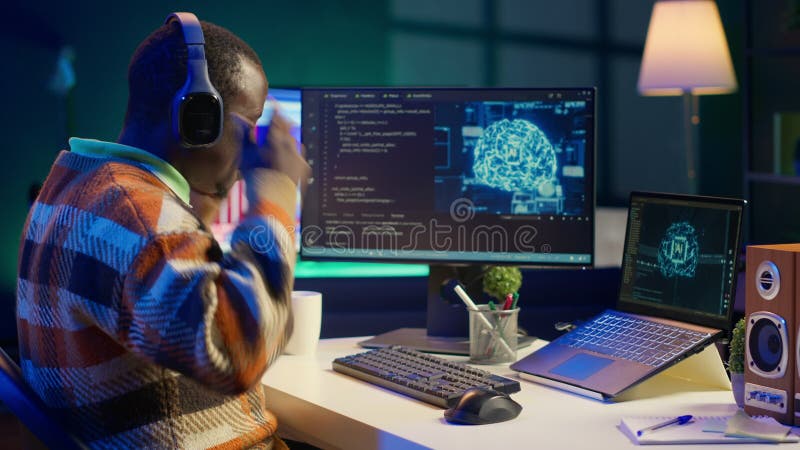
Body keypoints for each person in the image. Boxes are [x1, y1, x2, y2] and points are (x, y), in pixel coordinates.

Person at [16, 13, 310, 449]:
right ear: (198, 118)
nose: (252, 148)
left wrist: (198, 207)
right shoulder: (137, 214)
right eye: (248, 128)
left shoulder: (74, 189)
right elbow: (237, 351)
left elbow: (155, 292)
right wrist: (278, 193)